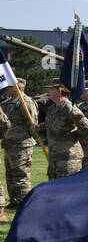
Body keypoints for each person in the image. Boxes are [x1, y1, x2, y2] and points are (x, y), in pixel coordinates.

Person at [37, 81, 88, 180]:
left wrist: (73, 136)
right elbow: (50, 123)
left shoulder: (69, 107)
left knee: (70, 190)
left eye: (50, 88)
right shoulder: (53, 107)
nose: (48, 91)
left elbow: (87, 127)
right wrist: (39, 127)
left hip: (68, 157)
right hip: (55, 157)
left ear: (59, 90)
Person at [2, 78, 39, 216]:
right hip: (9, 143)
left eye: (10, 86)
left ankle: (24, 202)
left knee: (21, 174)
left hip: (21, 144)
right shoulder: (6, 103)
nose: (7, 88)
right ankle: (15, 200)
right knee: (10, 173)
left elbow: (32, 123)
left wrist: (20, 135)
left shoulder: (26, 102)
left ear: (19, 88)